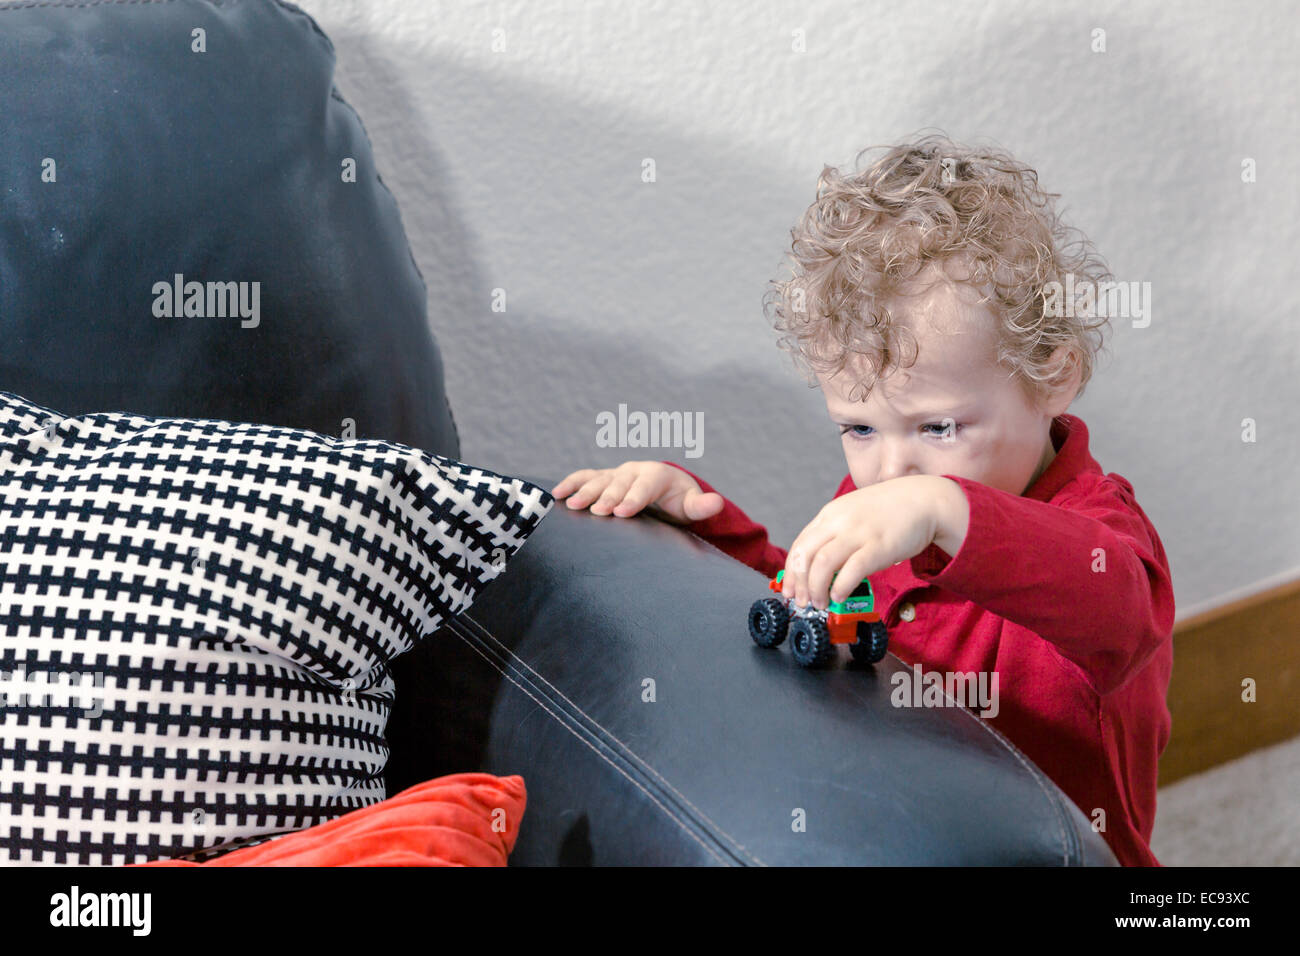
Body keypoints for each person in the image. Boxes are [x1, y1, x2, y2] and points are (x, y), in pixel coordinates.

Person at [551, 133, 1174, 867]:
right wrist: (705, 527)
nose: (892, 466)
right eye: (858, 427)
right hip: (899, 829)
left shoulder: (1098, 534)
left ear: (1055, 376)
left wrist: (948, 511)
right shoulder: (888, 493)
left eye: (938, 427)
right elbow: (824, 601)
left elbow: (1122, 609)